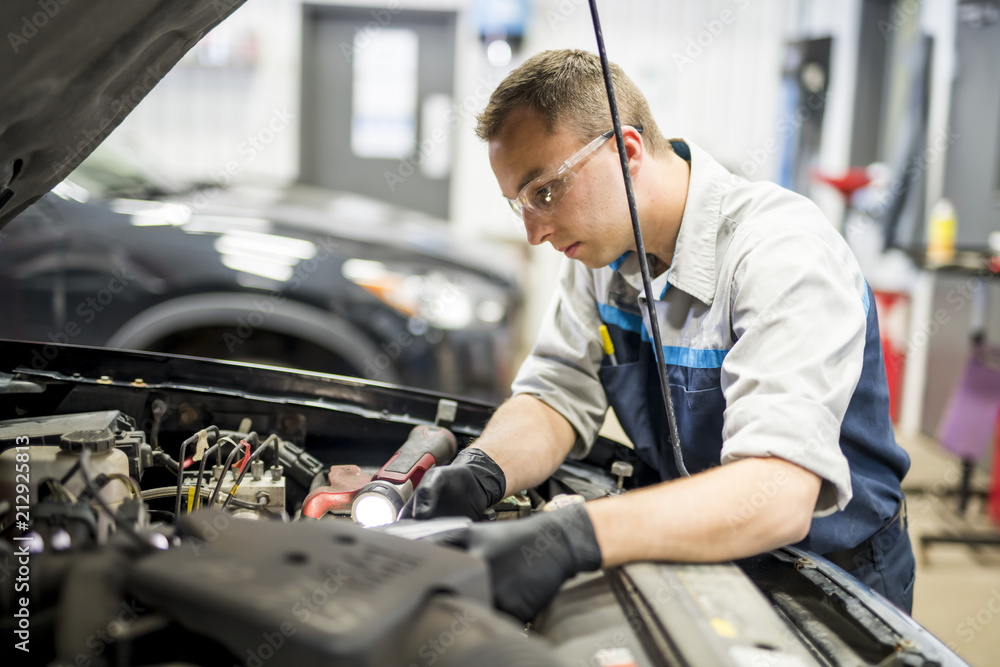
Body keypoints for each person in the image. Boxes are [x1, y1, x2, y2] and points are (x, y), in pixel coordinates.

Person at [401, 49, 914, 622]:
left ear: (626, 151)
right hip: (697, 552)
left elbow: (776, 494)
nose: (533, 231)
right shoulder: (602, 256)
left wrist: (576, 535)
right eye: (519, 204)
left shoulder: (782, 255)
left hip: (827, 580)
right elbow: (556, 393)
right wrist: (482, 470)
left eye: (544, 191)